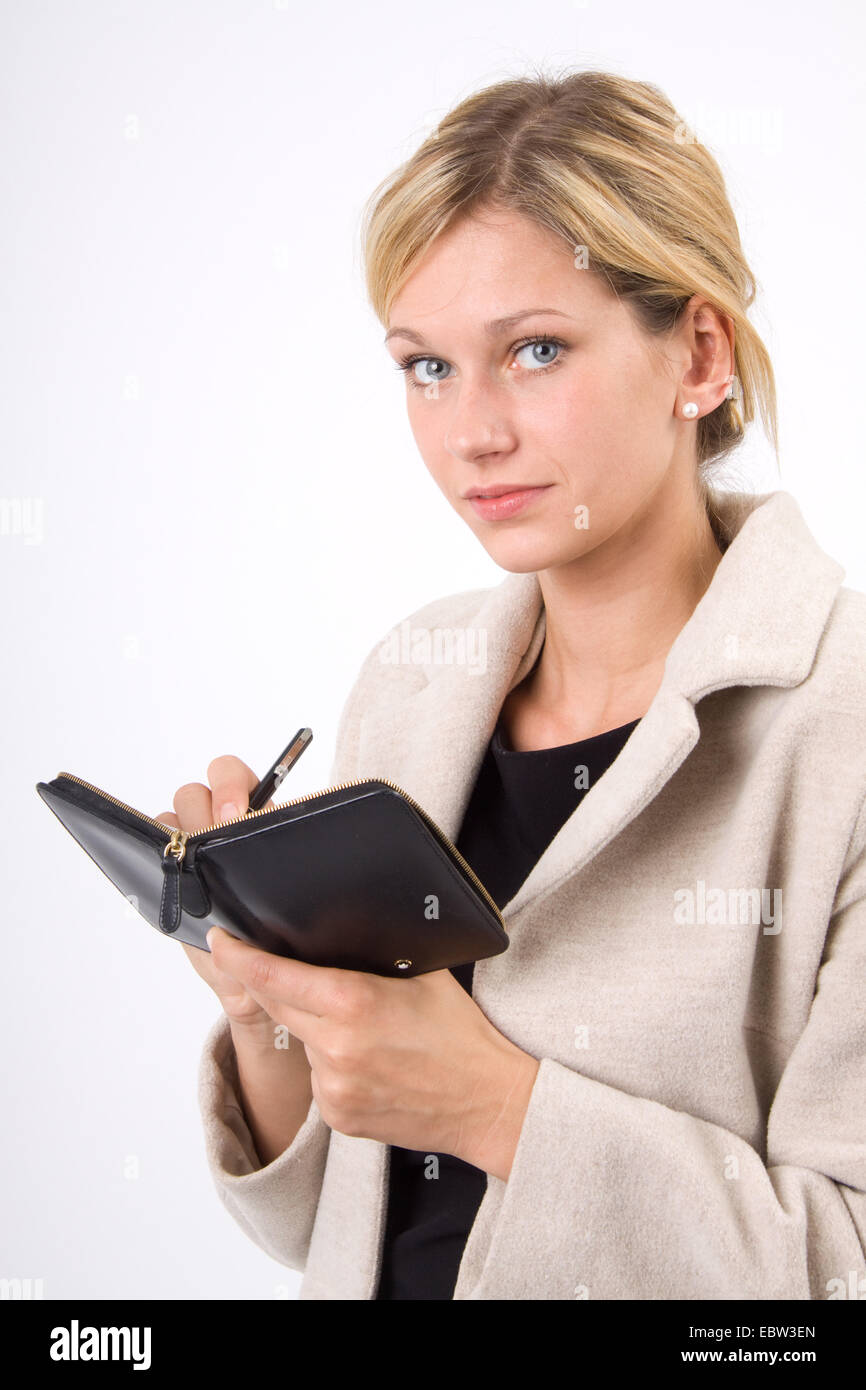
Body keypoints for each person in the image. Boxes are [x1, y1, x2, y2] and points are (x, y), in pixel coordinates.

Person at [158, 68, 866, 1300]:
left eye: (533, 350)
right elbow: (340, 1227)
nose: (469, 430)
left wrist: (499, 1109)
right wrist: (265, 995)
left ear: (696, 354)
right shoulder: (411, 684)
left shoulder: (838, 723)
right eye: (425, 368)